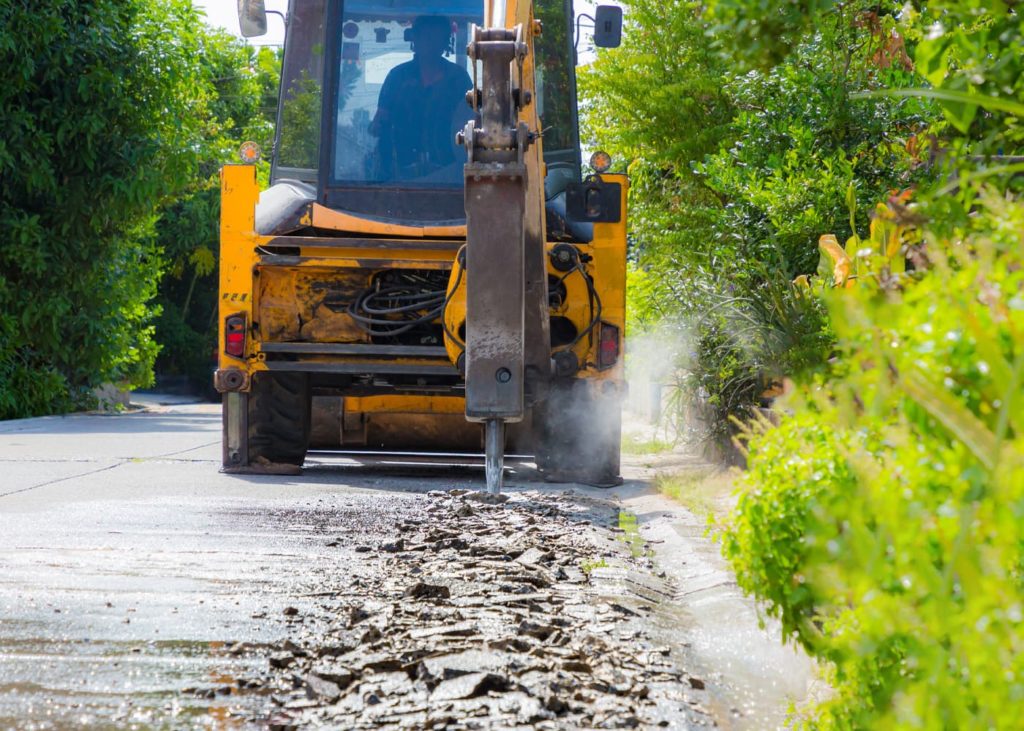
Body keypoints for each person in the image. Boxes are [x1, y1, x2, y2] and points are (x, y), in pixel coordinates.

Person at [370, 15, 473, 182]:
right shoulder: (397, 77)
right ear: (414, 39)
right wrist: (379, 126)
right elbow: (379, 121)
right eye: (426, 37)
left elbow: (472, 122)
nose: (430, 44)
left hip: (450, 176)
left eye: (437, 38)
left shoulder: (458, 79)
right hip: (400, 175)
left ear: (446, 41)